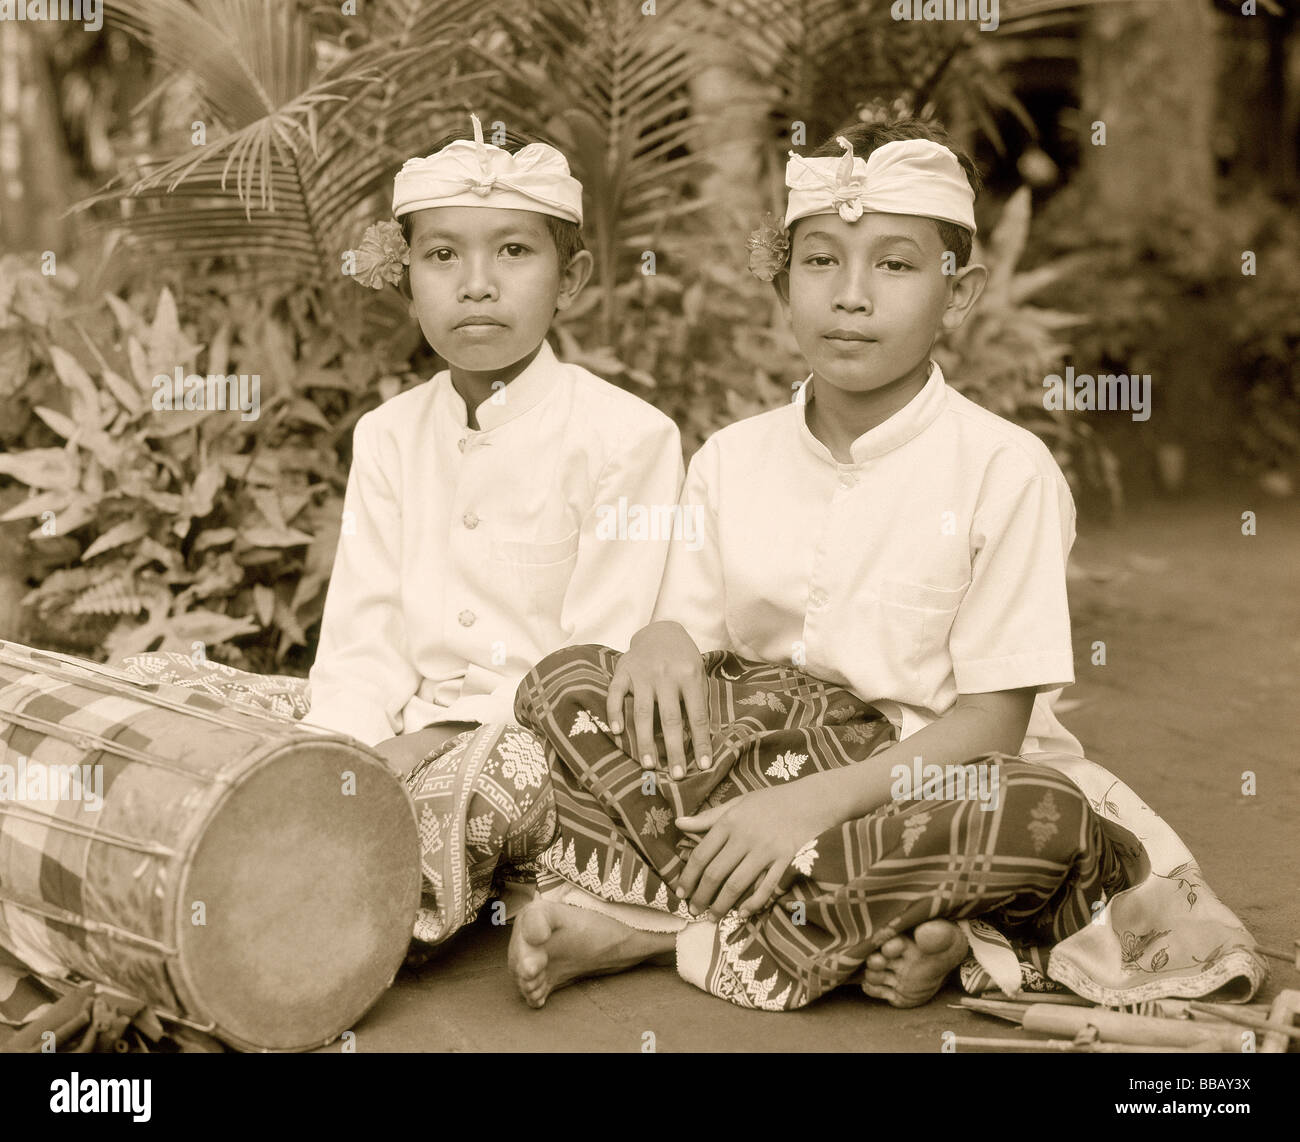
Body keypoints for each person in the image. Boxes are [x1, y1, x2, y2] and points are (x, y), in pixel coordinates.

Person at [500, 119, 1264, 1012]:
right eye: (821, 262)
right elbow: (693, 665)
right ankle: (877, 927)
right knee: (566, 685)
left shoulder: (1004, 470)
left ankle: (658, 933)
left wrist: (808, 811)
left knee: (1039, 818)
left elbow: (990, 727)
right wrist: (662, 634)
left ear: (961, 291)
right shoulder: (731, 459)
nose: (851, 296)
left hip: (933, 783)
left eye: (895, 265)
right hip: (764, 760)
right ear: (782, 281)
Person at [304, 115, 684, 948]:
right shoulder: (389, 434)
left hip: (547, 755)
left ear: (571, 277)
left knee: (474, 789)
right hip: (403, 740)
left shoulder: (629, 437)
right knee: (190, 703)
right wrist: (350, 755)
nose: (476, 284)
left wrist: (434, 741)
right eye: (442, 256)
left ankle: (328, 934)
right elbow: (361, 639)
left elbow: (594, 666)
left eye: (514, 252)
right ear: (405, 277)